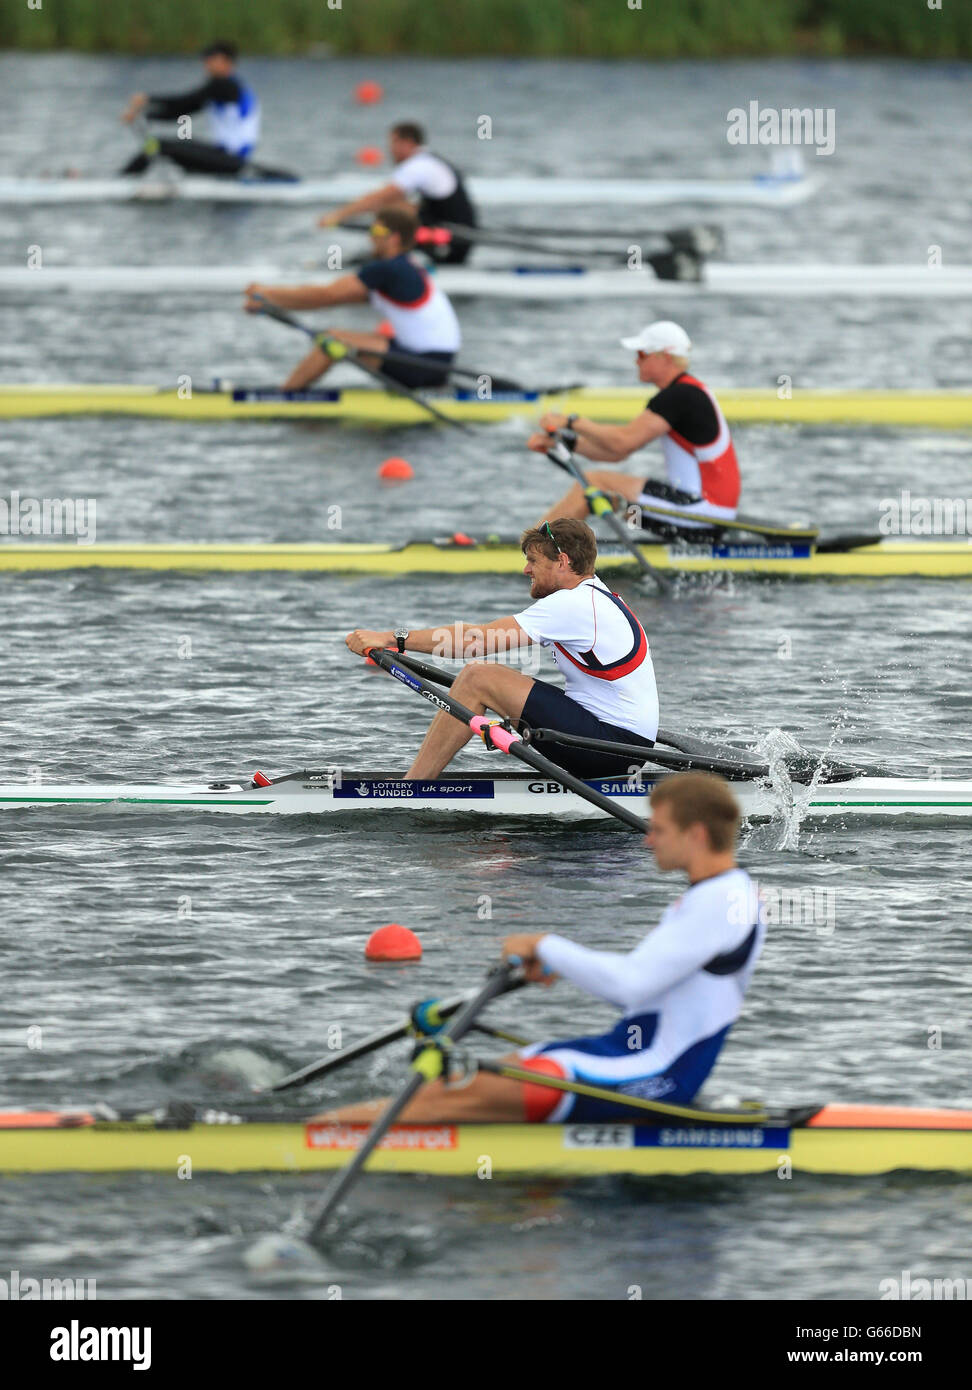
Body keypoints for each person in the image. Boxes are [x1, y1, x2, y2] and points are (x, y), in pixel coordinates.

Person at [313, 773, 764, 1125]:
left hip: (654, 1075)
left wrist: (545, 944)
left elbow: (631, 985)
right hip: (621, 1053)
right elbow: (646, 990)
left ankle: (301, 1141)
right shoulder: (722, 893)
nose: (647, 839)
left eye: (659, 829)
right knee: (443, 1088)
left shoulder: (720, 902)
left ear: (697, 836)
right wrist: (559, 963)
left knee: (438, 1100)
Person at [344, 517, 658, 781]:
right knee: (483, 678)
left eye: (533, 561)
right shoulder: (596, 594)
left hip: (611, 748)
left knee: (477, 678)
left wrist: (391, 638)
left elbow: (473, 642)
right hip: (617, 743)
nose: (526, 570)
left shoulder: (573, 604)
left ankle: (410, 788)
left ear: (563, 562)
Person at [529, 321, 741, 540]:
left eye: (641, 354)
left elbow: (622, 442)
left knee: (593, 483)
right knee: (603, 495)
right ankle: (554, 552)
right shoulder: (687, 391)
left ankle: (534, 551)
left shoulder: (680, 396)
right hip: (707, 511)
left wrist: (571, 421)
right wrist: (563, 442)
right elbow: (617, 453)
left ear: (664, 357)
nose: (635, 361)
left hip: (702, 514)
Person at [243, 206, 461, 391]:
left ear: (394, 237)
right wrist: (270, 302)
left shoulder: (390, 269)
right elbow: (327, 299)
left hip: (426, 365)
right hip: (431, 362)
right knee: (338, 336)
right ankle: (290, 392)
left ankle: (284, 397)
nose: (370, 236)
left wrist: (266, 293)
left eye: (376, 229)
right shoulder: (403, 267)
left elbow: (324, 296)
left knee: (331, 341)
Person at [316, 121, 478, 264]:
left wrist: (338, 215)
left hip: (451, 243)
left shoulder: (418, 165)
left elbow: (377, 199)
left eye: (393, 143)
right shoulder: (427, 159)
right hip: (449, 234)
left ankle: (381, 259)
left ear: (407, 143)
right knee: (396, 208)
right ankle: (385, 255)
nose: (389, 150)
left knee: (390, 211)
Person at [120, 41, 264, 177]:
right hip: (225, 155)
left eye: (212, 60)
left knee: (156, 145)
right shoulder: (222, 90)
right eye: (206, 60)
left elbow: (184, 101)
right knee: (180, 143)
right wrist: (145, 116)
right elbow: (181, 111)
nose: (207, 64)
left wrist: (148, 99)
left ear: (226, 62)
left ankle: (120, 182)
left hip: (232, 159)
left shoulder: (225, 86)